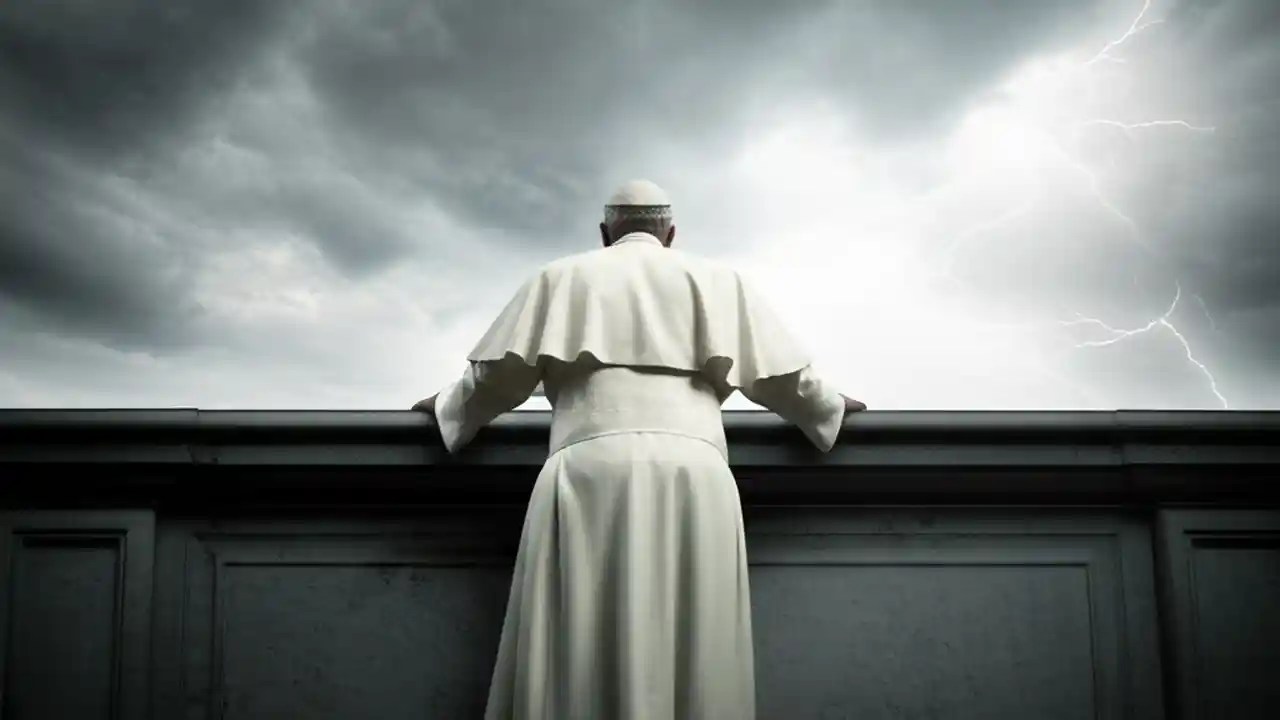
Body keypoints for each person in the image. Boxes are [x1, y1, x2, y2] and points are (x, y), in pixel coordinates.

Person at [411, 179, 867, 719]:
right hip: (695, 475)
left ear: (605, 233)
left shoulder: (561, 277)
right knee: (695, 638)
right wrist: (829, 407)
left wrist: (445, 407)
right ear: (670, 234)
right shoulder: (719, 281)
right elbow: (786, 379)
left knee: (577, 636)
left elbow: (494, 378)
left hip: (587, 469)